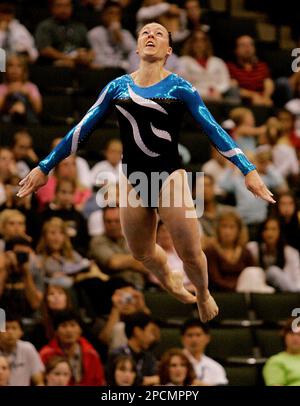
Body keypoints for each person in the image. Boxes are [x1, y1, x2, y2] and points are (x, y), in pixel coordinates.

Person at [17, 22, 275, 323]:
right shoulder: (117, 87)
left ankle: (203, 293)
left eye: (159, 33)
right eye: (144, 33)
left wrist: (248, 169)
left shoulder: (181, 88)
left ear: (168, 51)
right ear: (137, 48)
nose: (150, 35)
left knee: (190, 252)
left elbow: (214, 130)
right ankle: (168, 279)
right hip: (132, 178)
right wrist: (45, 166)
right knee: (141, 253)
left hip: (169, 177)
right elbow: (81, 130)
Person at [39, 310, 105, 386]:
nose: (69, 330)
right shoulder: (46, 354)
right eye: (64, 326)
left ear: (80, 330)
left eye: (73, 325)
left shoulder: (91, 354)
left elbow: (99, 382)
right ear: (56, 332)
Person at [0, 315, 45, 386]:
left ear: (21, 332)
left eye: (14, 328)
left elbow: (39, 382)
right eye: (6, 328)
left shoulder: (28, 348)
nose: (10, 332)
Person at [181, 319, 228, 385]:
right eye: (190, 335)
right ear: (182, 339)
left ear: (207, 338)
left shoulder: (215, 367)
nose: (194, 340)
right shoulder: (172, 363)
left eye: (198, 335)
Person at [263, 318, 300, 386]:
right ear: (284, 336)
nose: (295, 338)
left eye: (299, 334)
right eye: (291, 334)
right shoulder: (275, 361)